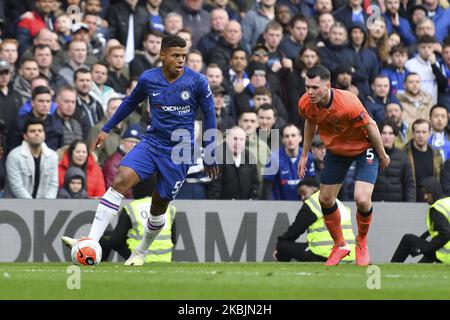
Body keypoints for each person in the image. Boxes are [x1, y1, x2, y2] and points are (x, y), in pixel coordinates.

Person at [61, 35, 218, 266]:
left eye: (183, 56)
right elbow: (129, 103)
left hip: (180, 152)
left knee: (159, 205)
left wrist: (210, 152)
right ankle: (90, 241)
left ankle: (141, 251)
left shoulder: (198, 82)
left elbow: (210, 116)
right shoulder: (148, 78)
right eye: (175, 55)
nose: (181, 60)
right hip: (152, 143)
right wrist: (107, 128)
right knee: (120, 181)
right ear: (162, 55)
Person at [298, 65, 390, 266]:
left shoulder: (348, 102)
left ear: (328, 86)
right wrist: (304, 154)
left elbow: (371, 126)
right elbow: (310, 123)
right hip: (337, 151)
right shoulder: (305, 103)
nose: (310, 92)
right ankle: (340, 244)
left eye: (315, 87)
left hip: (363, 147)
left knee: (362, 199)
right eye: (307, 87)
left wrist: (382, 154)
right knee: (325, 199)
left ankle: (362, 242)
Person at [273, 177, 355, 262]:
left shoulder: (313, 203)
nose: (302, 198)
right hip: (349, 254)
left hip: (324, 254)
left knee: (282, 245)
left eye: (303, 192)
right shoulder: (338, 202)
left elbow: (295, 230)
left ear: (314, 188)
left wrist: (279, 249)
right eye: (300, 195)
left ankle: (281, 264)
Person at [99, 195, 177, 263]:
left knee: (107, 237)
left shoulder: (131, 207)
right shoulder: (169, 208)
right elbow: (173, 240)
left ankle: (101, 264)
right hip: (165, 259)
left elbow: (116, 239)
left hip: (138, 256)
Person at [391, 177, 450, 263]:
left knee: (408, 239)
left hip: (446, 255)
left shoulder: (436, 209)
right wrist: (421, 242)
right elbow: (436, 230)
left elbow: (446, 234)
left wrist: (424, 248)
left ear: (434, 191)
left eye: (427, 193)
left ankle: (393, 265)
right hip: (445, 252)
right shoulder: (447, 201)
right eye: (423, 194)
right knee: (427, 253)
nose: (425, 197)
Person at [5, 118, 59, 199]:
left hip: (44, 207)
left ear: (44, 135)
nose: (37, 133)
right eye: (32, 131)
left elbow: (53, 184)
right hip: (16, 206)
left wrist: (47, 204)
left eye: (40, 131)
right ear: (25, 136)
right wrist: (32, 205)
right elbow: (16, 187)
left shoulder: (53, 156)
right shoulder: (14, 156)